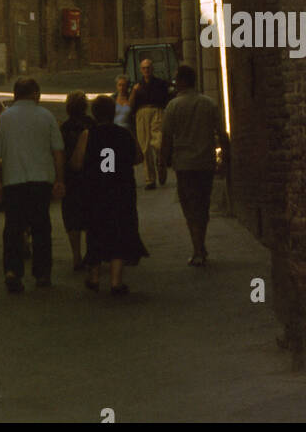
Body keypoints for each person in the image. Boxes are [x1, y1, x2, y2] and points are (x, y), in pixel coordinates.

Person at [0, 78, 65, 292]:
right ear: (35, 94)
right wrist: (59, 179)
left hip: (14, 182)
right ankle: (42, 273)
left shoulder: (4, 119)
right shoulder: (46, 117)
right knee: (41, 228)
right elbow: (58, 151)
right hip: (41, 182)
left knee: (13, 228)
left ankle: (12, 271)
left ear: (15, 94)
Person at [71, 96, 147, 295]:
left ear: (94, 114)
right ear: (113, 113)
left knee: (96, 231)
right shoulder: (125, 134)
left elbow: (77, 163)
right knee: (119, 233)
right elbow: (139, 157)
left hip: (96, 191)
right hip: (121, 191)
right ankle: (116, 281)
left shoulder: (88, 135)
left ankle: (94, 277)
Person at [160, 63, 229, 266]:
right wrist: (226, 156)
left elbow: (166, 138)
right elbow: (222, 133)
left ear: (182, 81)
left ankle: (197, 248)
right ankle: (201, 243)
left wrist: (162, 163)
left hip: (184, 164)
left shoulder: (173, 106)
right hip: (205, 162)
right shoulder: (209, 104)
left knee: (189, 206)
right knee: (202, 204)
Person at [60, 91, 93, 271]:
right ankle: (90, 252)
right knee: (90, 216)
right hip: (90, 177)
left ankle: (76, 255)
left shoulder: (64, 128)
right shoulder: (92, 125)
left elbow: (59, 153)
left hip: (70, 178)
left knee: (72, 218)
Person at [129, 56, 171, 189]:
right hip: (141, 114)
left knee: (158, 143)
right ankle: (149, 179)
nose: (146, 70)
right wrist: (134, 92)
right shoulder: (137, 86)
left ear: (152, 69)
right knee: (145, 147)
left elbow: (167, 99)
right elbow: (130, 106)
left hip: (157, 111)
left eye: (148, 68)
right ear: (141, 70)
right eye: (144, 68)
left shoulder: (161, 84)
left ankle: (161, 163)